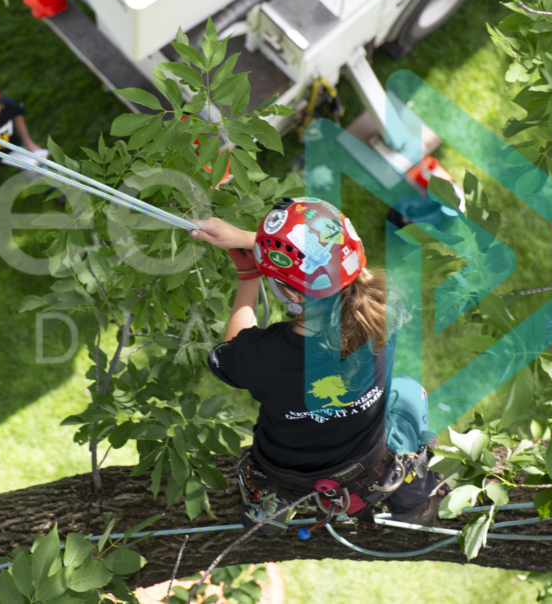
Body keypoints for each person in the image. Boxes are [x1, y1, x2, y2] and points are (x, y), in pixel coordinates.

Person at [190, 197, 445, 534]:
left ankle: (268, 508)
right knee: (408, 393)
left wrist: (249, 276)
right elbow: (335, 262)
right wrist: (251, 240)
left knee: (272, 473)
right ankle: (412, 501)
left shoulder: (264, 357)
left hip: (287, 470)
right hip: (365, 463)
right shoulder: (386, 310)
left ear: (292, 296)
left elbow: (229, 349)